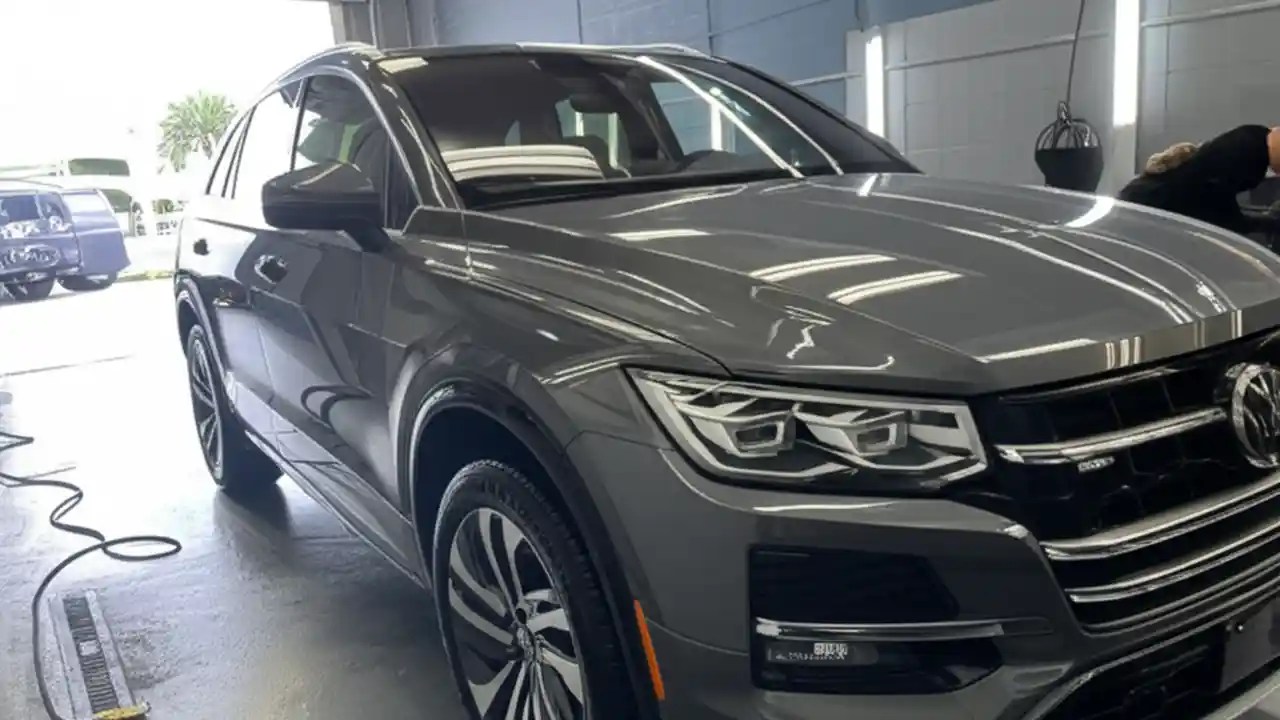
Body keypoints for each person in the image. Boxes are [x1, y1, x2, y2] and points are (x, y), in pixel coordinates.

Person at [1118, 125, 1280, 235]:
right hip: (1141, 222)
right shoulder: (1247, 157)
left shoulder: (1251, 137)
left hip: (1134, 212)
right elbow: (1227, 221)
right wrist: (1270, 223)